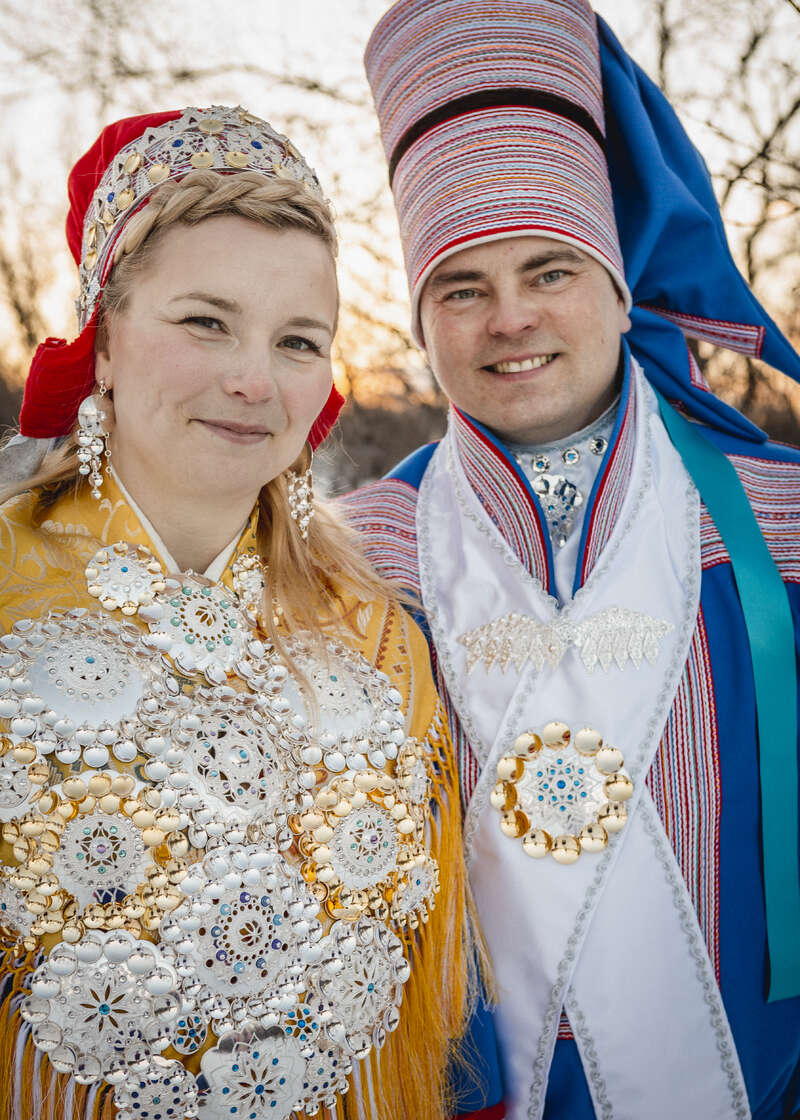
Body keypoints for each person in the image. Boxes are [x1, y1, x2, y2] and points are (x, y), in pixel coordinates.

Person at [343, 1, 800, 1117]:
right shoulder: (353, 556)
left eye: (549, 271)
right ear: (421, 323)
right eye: (461, 288)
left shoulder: (783, 518)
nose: (509, 319)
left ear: (618, 288)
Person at [0, 105, 471, 1120]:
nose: (253, 380)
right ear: (104, 341)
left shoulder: (380, 636)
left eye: (298, 341)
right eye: (205, 321)